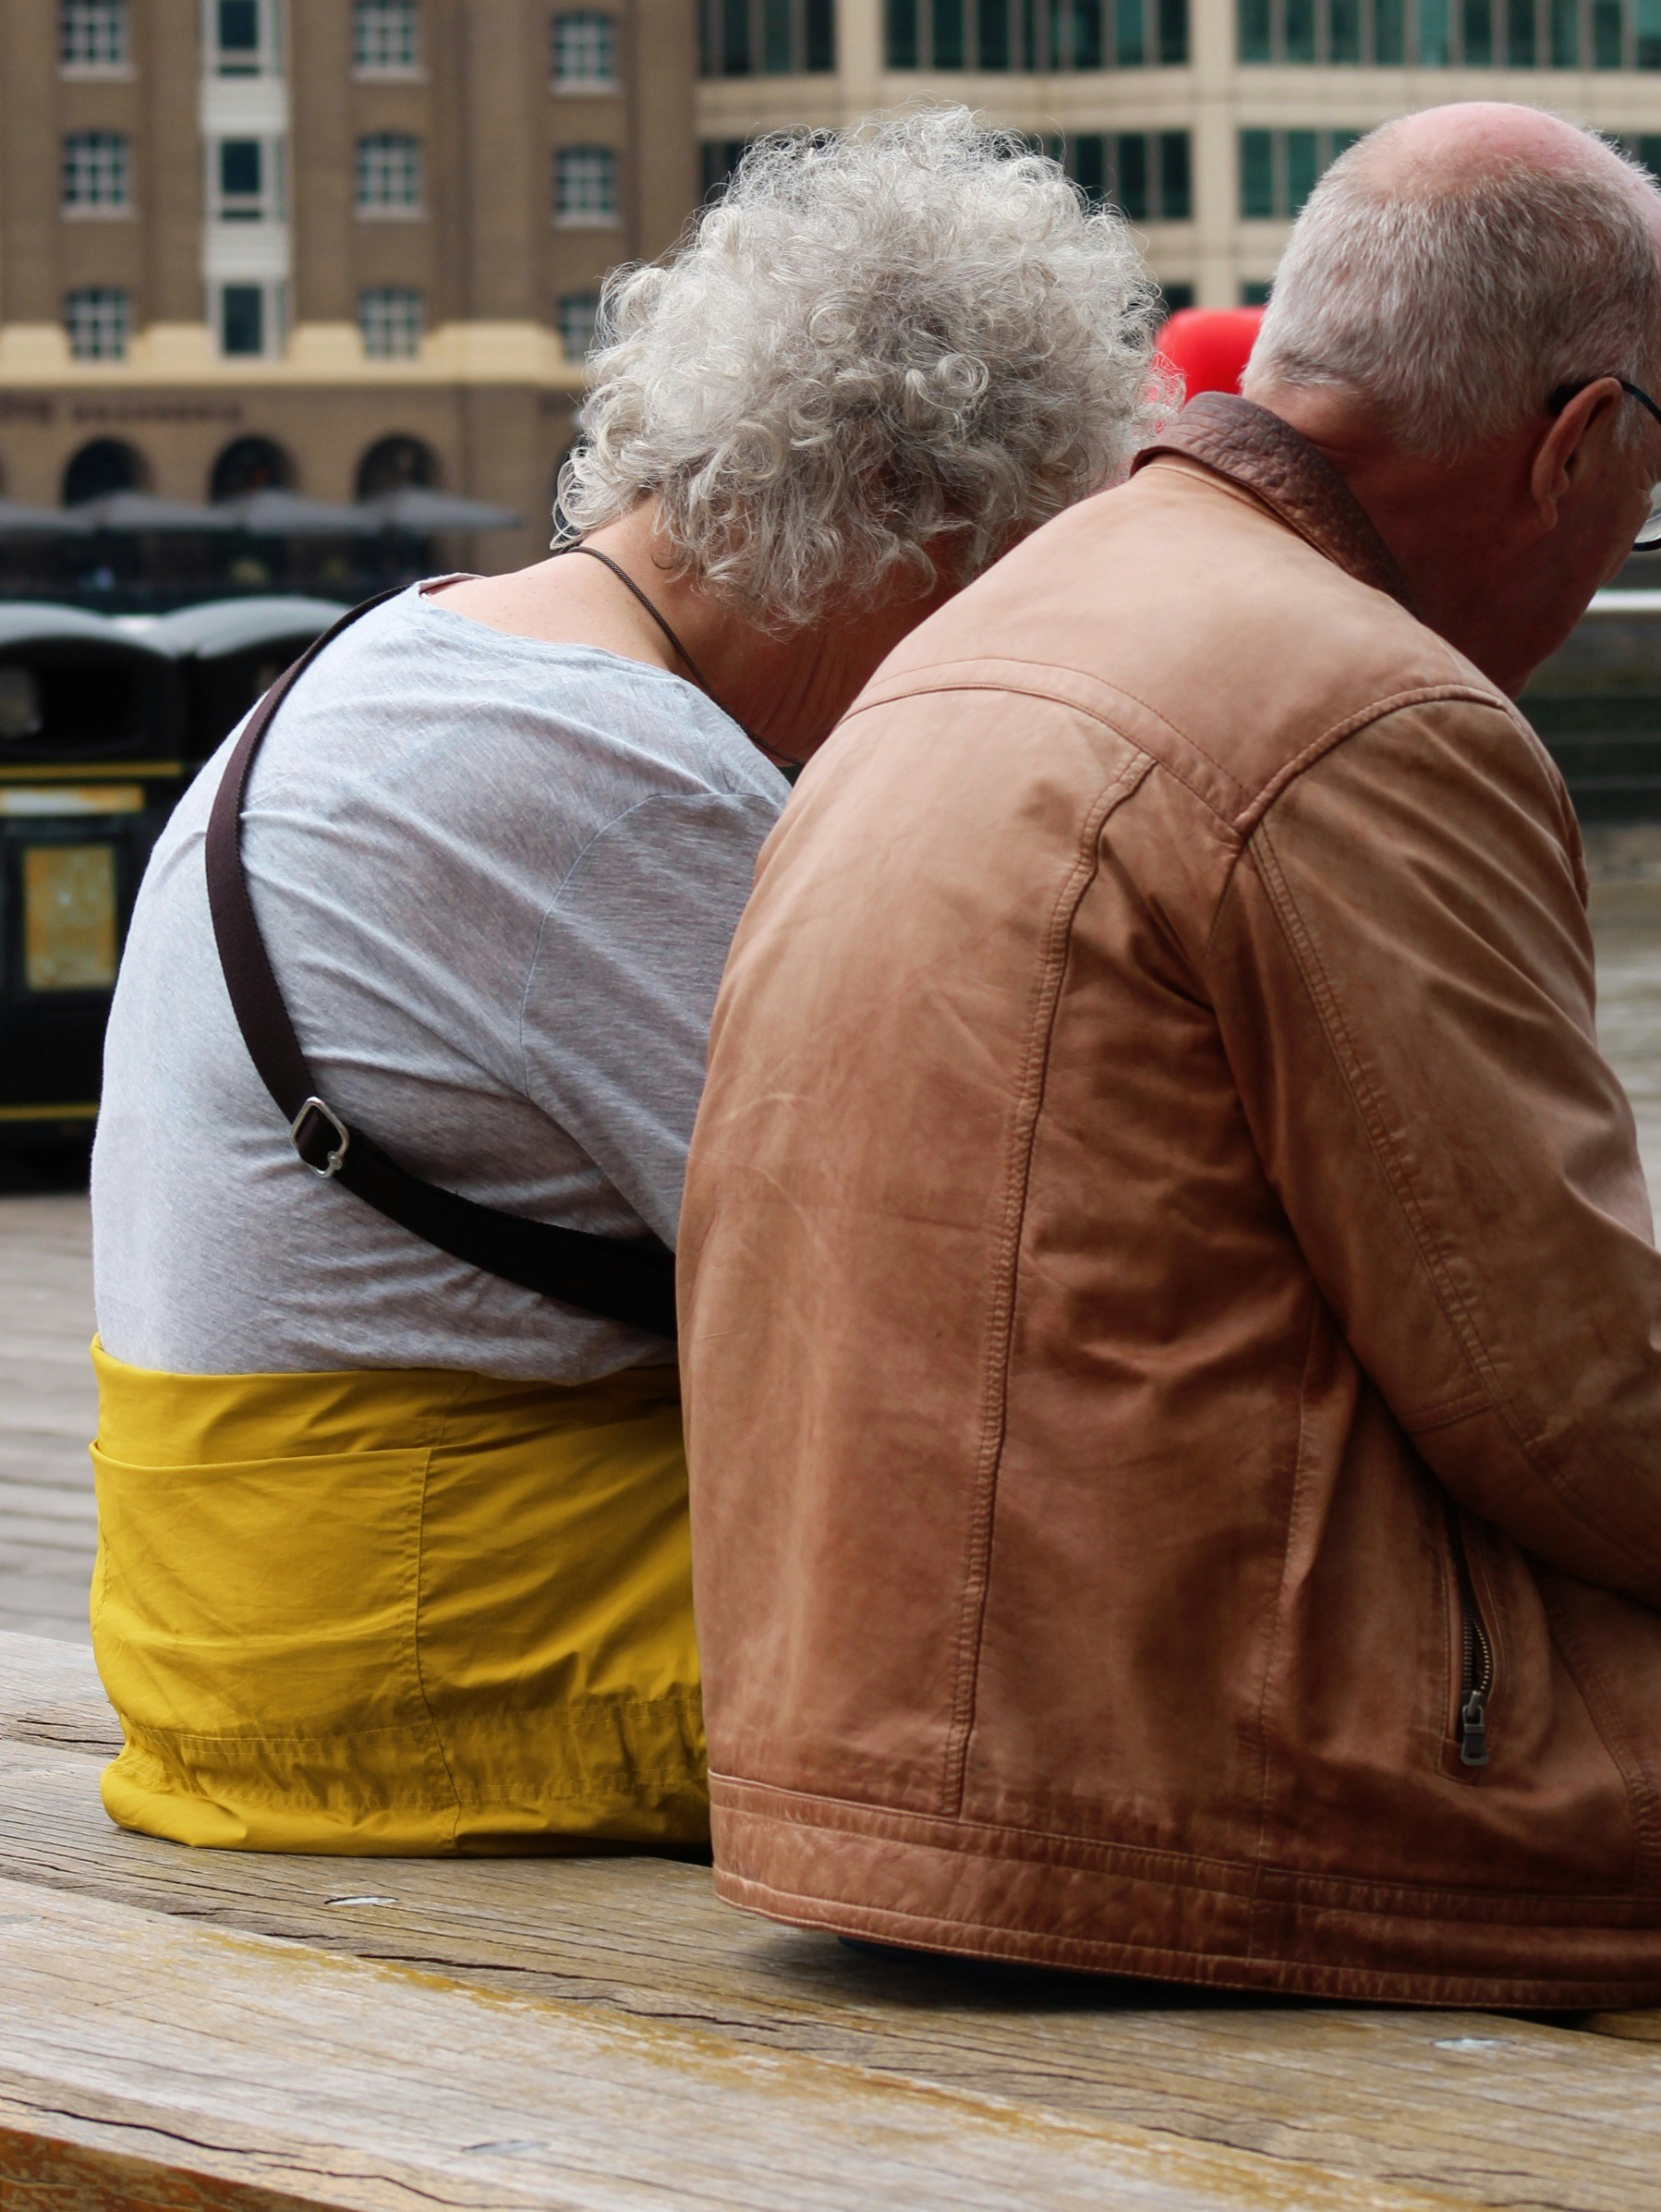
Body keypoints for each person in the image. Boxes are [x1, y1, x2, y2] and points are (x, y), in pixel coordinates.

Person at [682, 103, 1661, 2007]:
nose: (1620, 557)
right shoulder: (1365, 713)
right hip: (1214, 1787)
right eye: (1651, 492)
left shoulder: (956, 651)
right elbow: (1569, 1394)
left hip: (866, 1778)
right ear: (1574, 443)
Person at [89, 111, 1165, 1856]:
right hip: (417, 1664)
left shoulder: (419, 652)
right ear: (909, 532)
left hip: (243, 1623)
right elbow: (962, 1292)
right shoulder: (613, 776)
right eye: (1003, 595)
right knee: (1208, 1642)